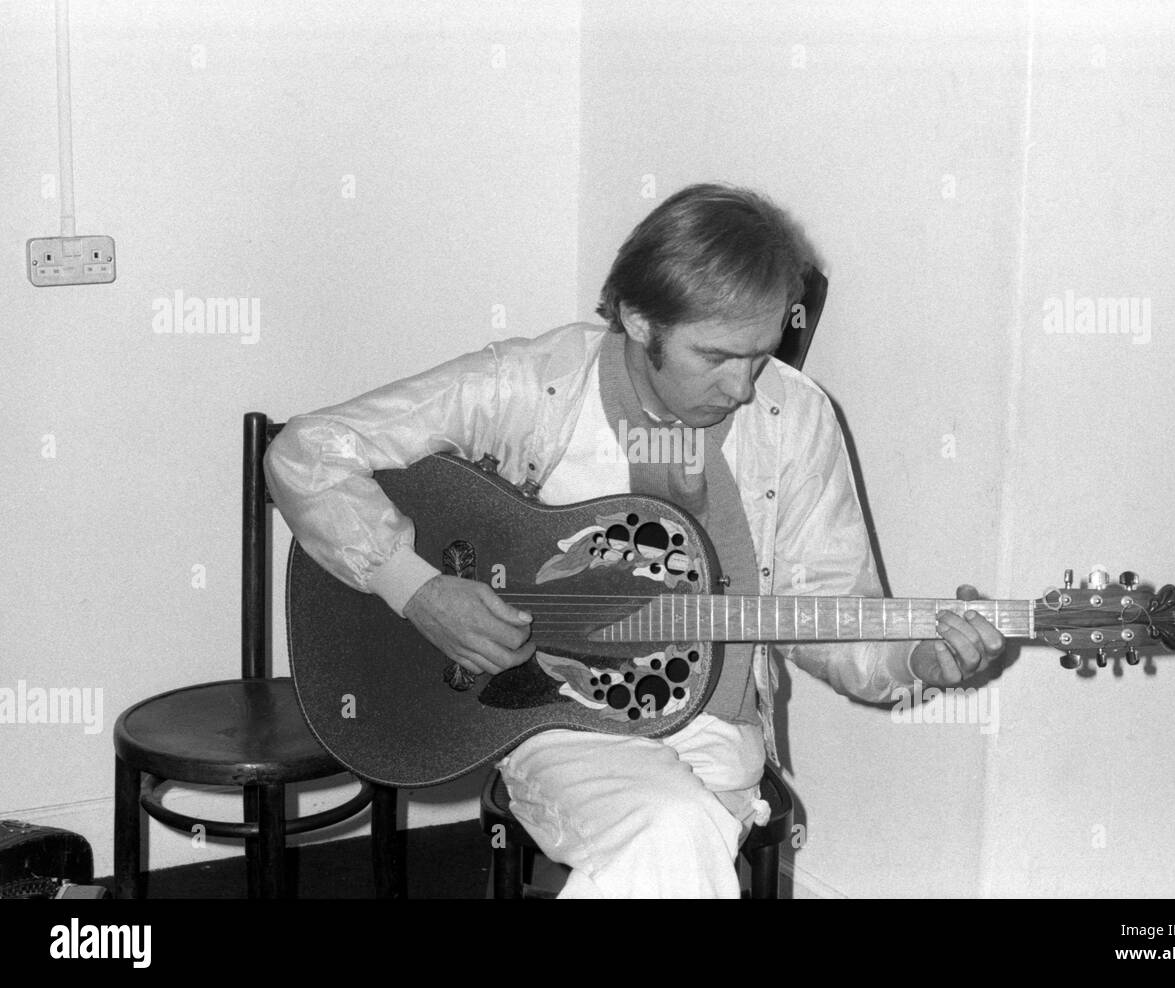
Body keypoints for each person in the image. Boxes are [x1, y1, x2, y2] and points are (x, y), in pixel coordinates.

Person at [265, 183, 1005, 898]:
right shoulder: (532, 388)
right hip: (554, 728)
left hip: (716, 733)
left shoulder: (796, 417)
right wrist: (416, 587)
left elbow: (832, 610)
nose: (746, 387)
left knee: (672, 842)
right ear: (639, 322)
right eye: (715, 357)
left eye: (763, 352)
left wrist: (918, 656)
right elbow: (307, 452)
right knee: (673, 832)